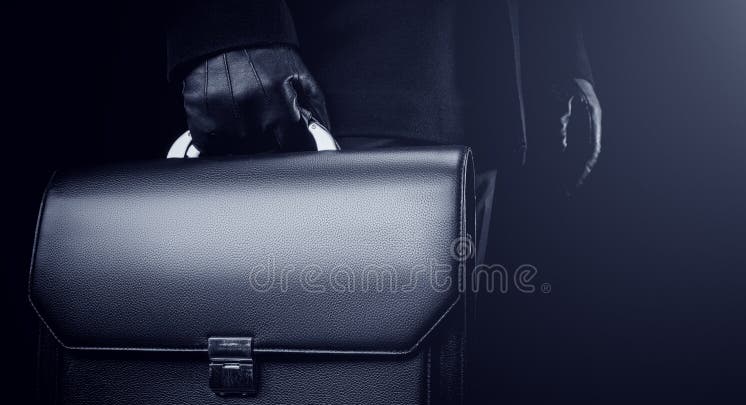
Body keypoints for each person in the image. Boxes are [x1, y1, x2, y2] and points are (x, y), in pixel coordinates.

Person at [167, 0, 602, 263]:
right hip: (324, 89)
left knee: (422, 384)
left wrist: (564, 55)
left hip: (489, 107)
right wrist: (229, 23)